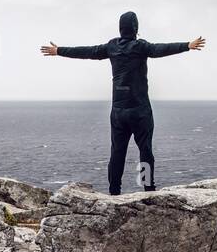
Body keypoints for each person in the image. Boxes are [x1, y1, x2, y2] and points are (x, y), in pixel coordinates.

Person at [41, 11, 205, 195]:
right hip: (140, 110)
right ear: (136, 28)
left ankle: (114, 191)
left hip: (118, 111)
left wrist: (59, 51)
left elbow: (88, 51)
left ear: (120, 28)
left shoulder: (112, 46)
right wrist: (187, 45)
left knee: (117, 152)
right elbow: (160, 49)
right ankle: (148, 188)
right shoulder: (140, 46)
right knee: (145, 150)